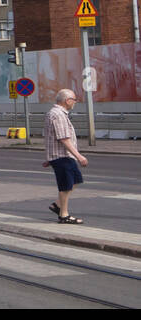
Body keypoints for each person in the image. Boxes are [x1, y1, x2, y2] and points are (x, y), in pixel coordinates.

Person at [43, 88, 89, 223]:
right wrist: (79, 156)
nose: (75, 102)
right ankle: (64, 215)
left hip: (61, 156)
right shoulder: (58, 114)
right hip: (62, 155)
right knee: (65, 185)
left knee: (75, 180)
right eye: (74, 100)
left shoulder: (57, 113)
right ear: (67, 101)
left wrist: (49, 158)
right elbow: (63, 138)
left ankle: (57, 205)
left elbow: (50, 137)